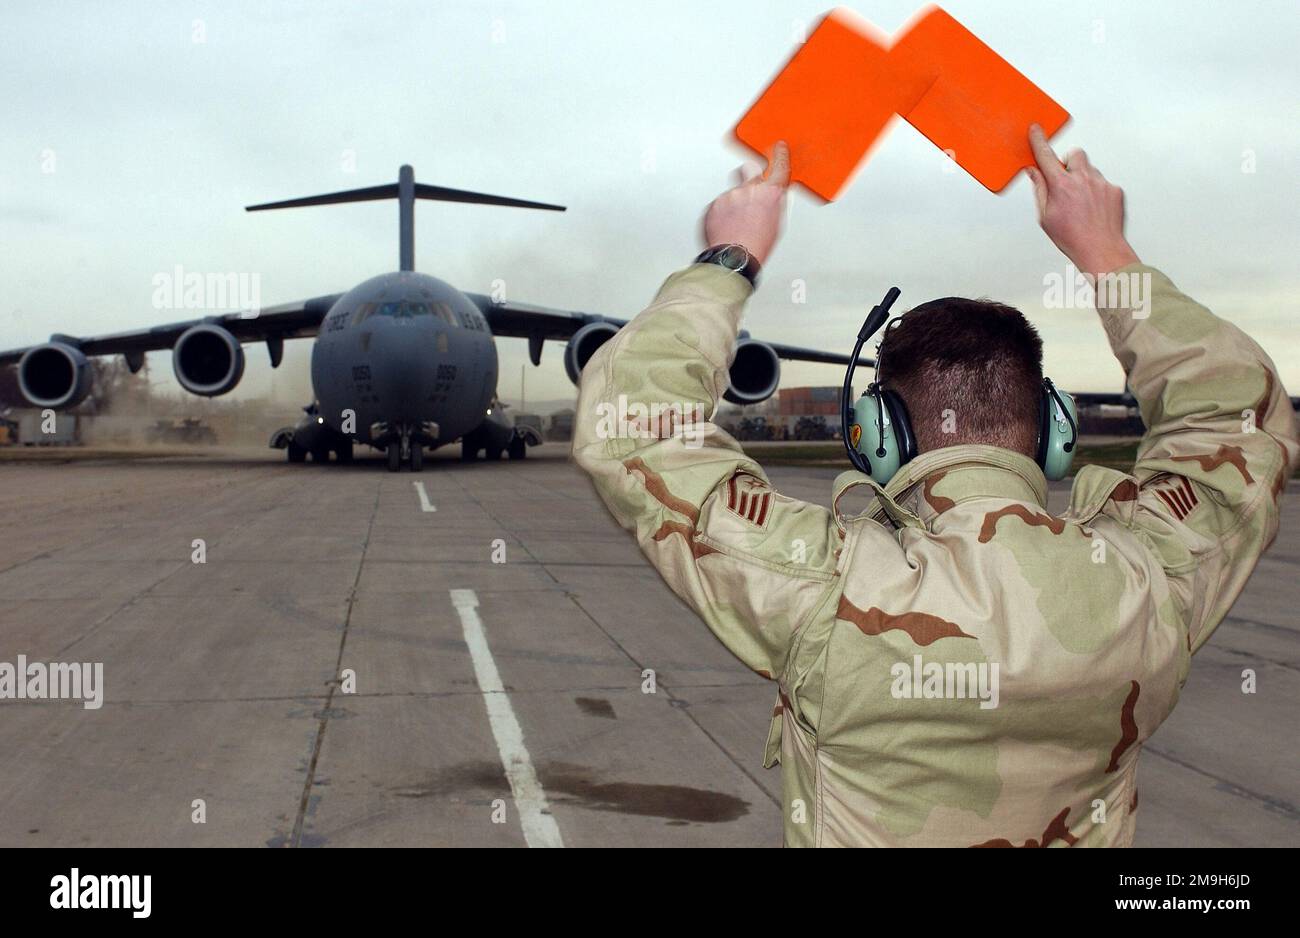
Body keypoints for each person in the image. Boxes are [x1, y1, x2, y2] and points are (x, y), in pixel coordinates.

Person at [572, 129, 1298, 847]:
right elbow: (1239, 416)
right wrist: (1107, 254)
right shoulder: (1146, 581)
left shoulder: (824, 589)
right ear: (1055, 428)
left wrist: (730, 256)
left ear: (878, 435)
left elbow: (632, 426)